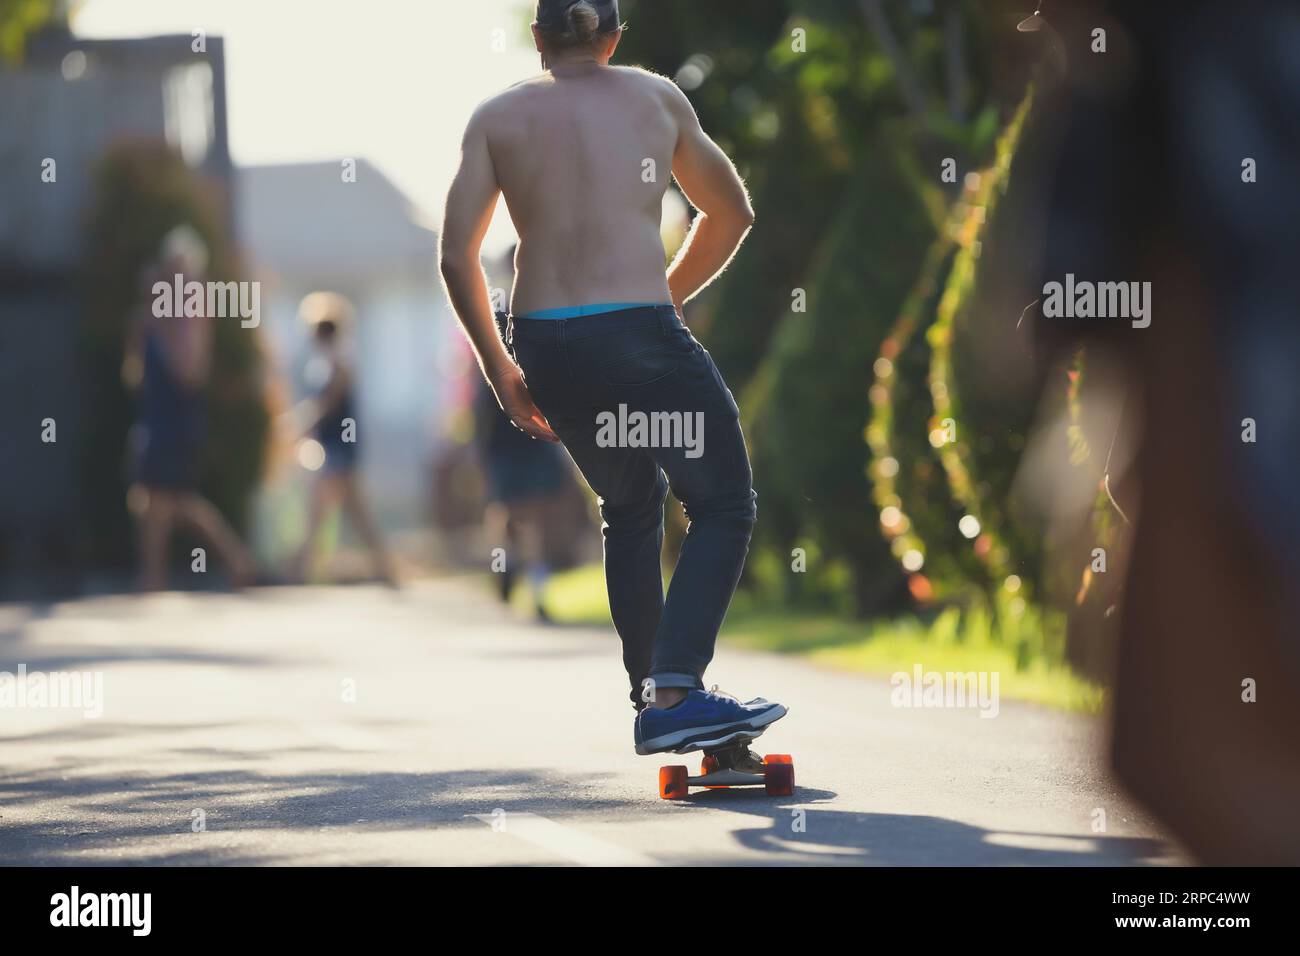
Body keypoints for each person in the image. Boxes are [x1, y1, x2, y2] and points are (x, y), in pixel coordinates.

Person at [439, 0, 785, 756]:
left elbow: (456, 256)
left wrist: (501, 371)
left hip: (547, 345)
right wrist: (671, 291)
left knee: (631, 505)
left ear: (539, 41)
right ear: (615, 37)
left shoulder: (497, 117)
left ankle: (656, 697)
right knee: (723, 502)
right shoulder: (657, 98)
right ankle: (674, 691)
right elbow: (731, 211)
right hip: (637, 332)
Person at [124, 225, 256, 591]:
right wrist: (148, 316)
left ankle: (161, 578)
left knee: (171, 501)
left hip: (178, 416)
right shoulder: (156, 314)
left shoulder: (193, 312)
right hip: (155, 415)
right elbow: (134, 375)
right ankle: (158, 578)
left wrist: (162, 327)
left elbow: (191, 373)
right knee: (153, 500)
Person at [291, 292, 397, 587]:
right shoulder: (326, 360)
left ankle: (301, 568)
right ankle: (383, 568)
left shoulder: (340, 359)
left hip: (339, 445)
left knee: (322, 508)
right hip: (332, 445)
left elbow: (328, 401)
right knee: (347, 511)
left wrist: (300, 422)